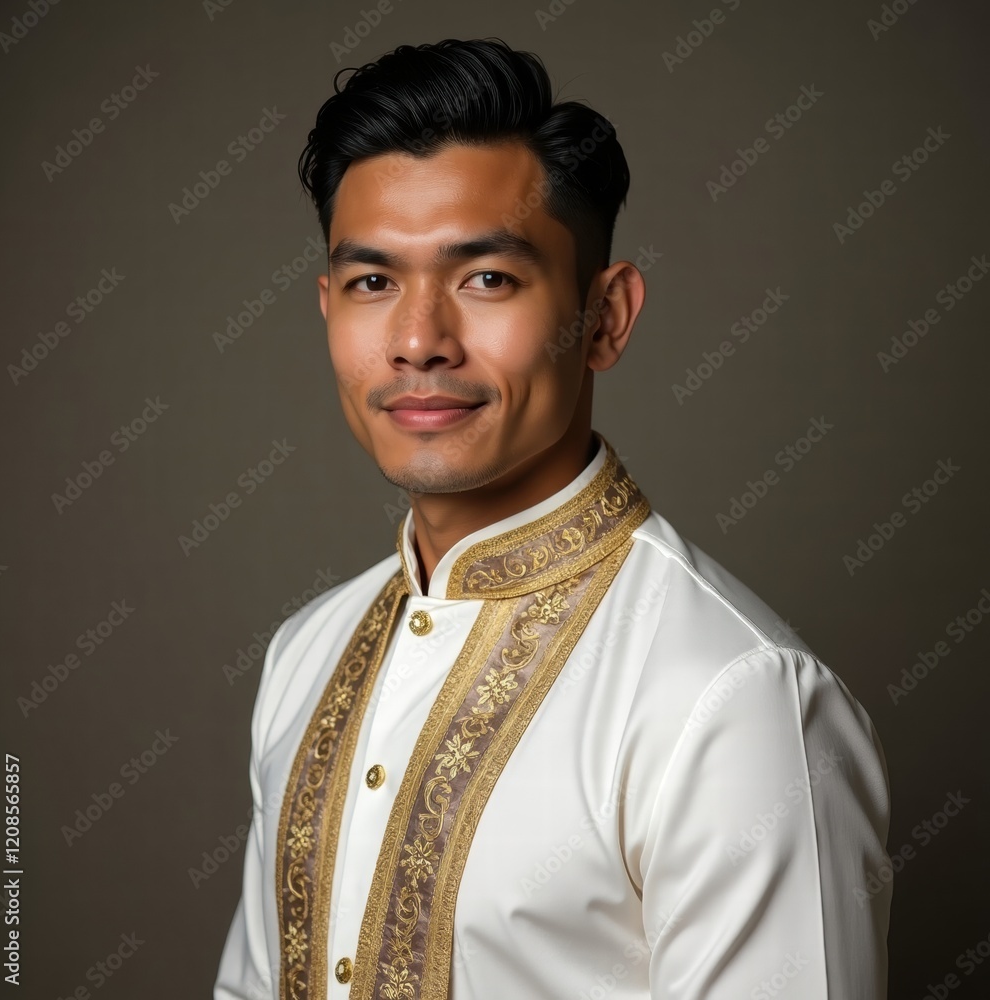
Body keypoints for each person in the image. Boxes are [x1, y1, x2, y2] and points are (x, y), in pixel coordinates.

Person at [214, 37, 890, 1000]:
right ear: (327, 308)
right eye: (373, 282)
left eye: (486, 278)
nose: (417, 342)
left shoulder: (734, 699)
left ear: (606, 317)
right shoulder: (304, 654)